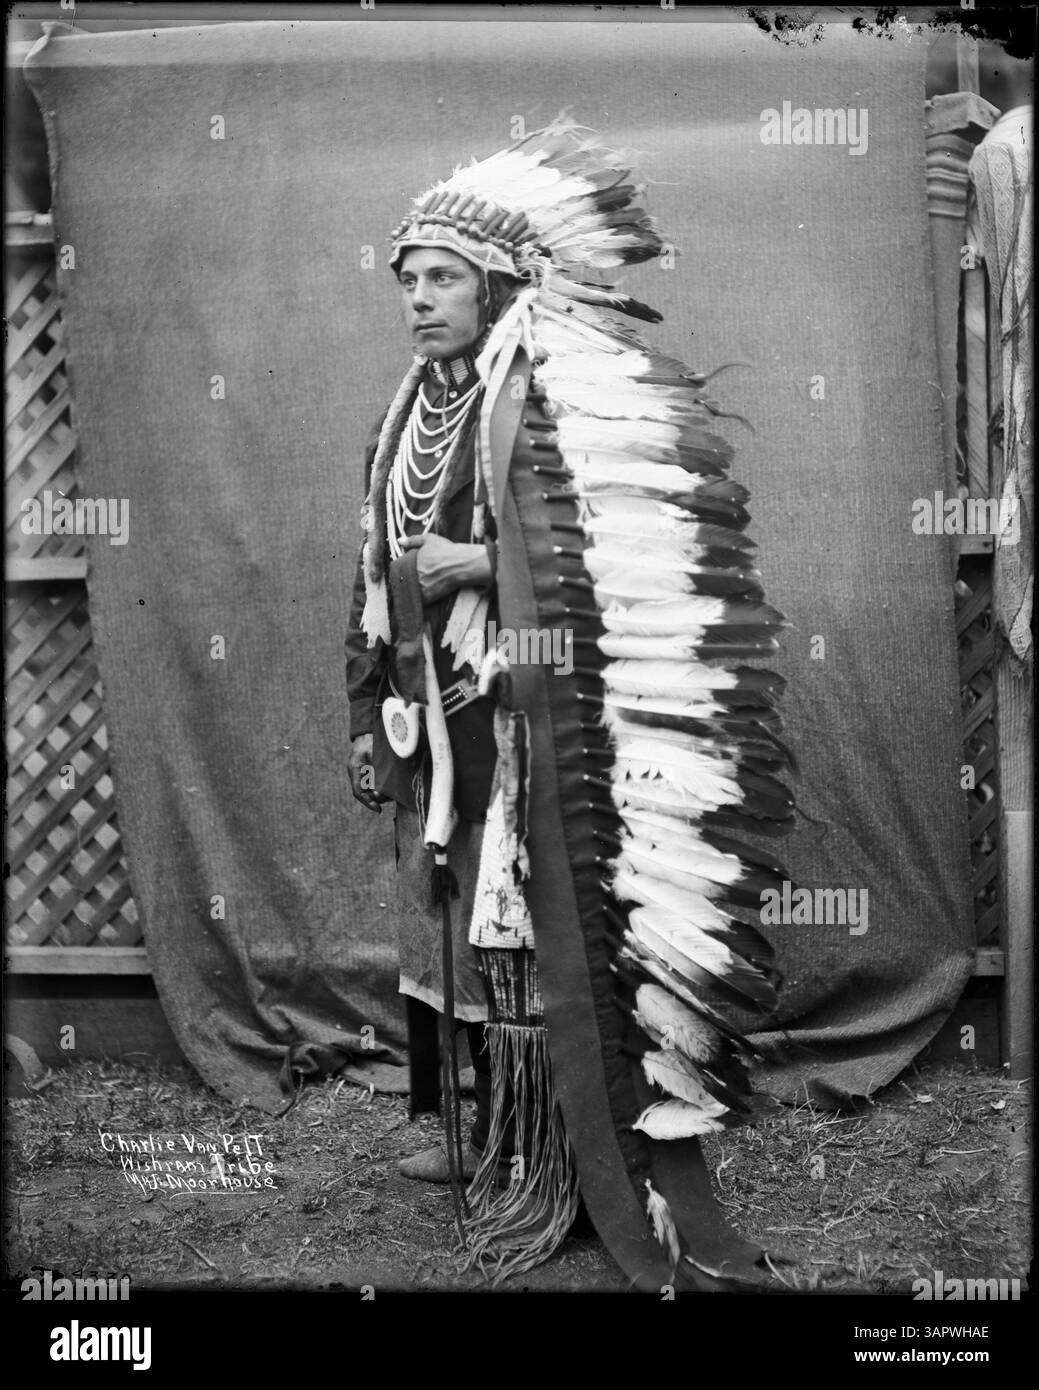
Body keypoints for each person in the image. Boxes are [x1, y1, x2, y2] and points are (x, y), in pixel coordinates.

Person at [345, 119, 793, 1287]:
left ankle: (564, 1147)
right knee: (454, 926)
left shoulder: (551, 402)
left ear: (500, 287)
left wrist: (478, 571)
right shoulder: (404, 418)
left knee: (541, 922)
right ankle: (482, 1127)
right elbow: (369, 575)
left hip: (541, 721)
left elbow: (601, 574)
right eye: (411, 281)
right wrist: (367, 710)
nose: (421, 301)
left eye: (444, 279)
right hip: (435, 719)